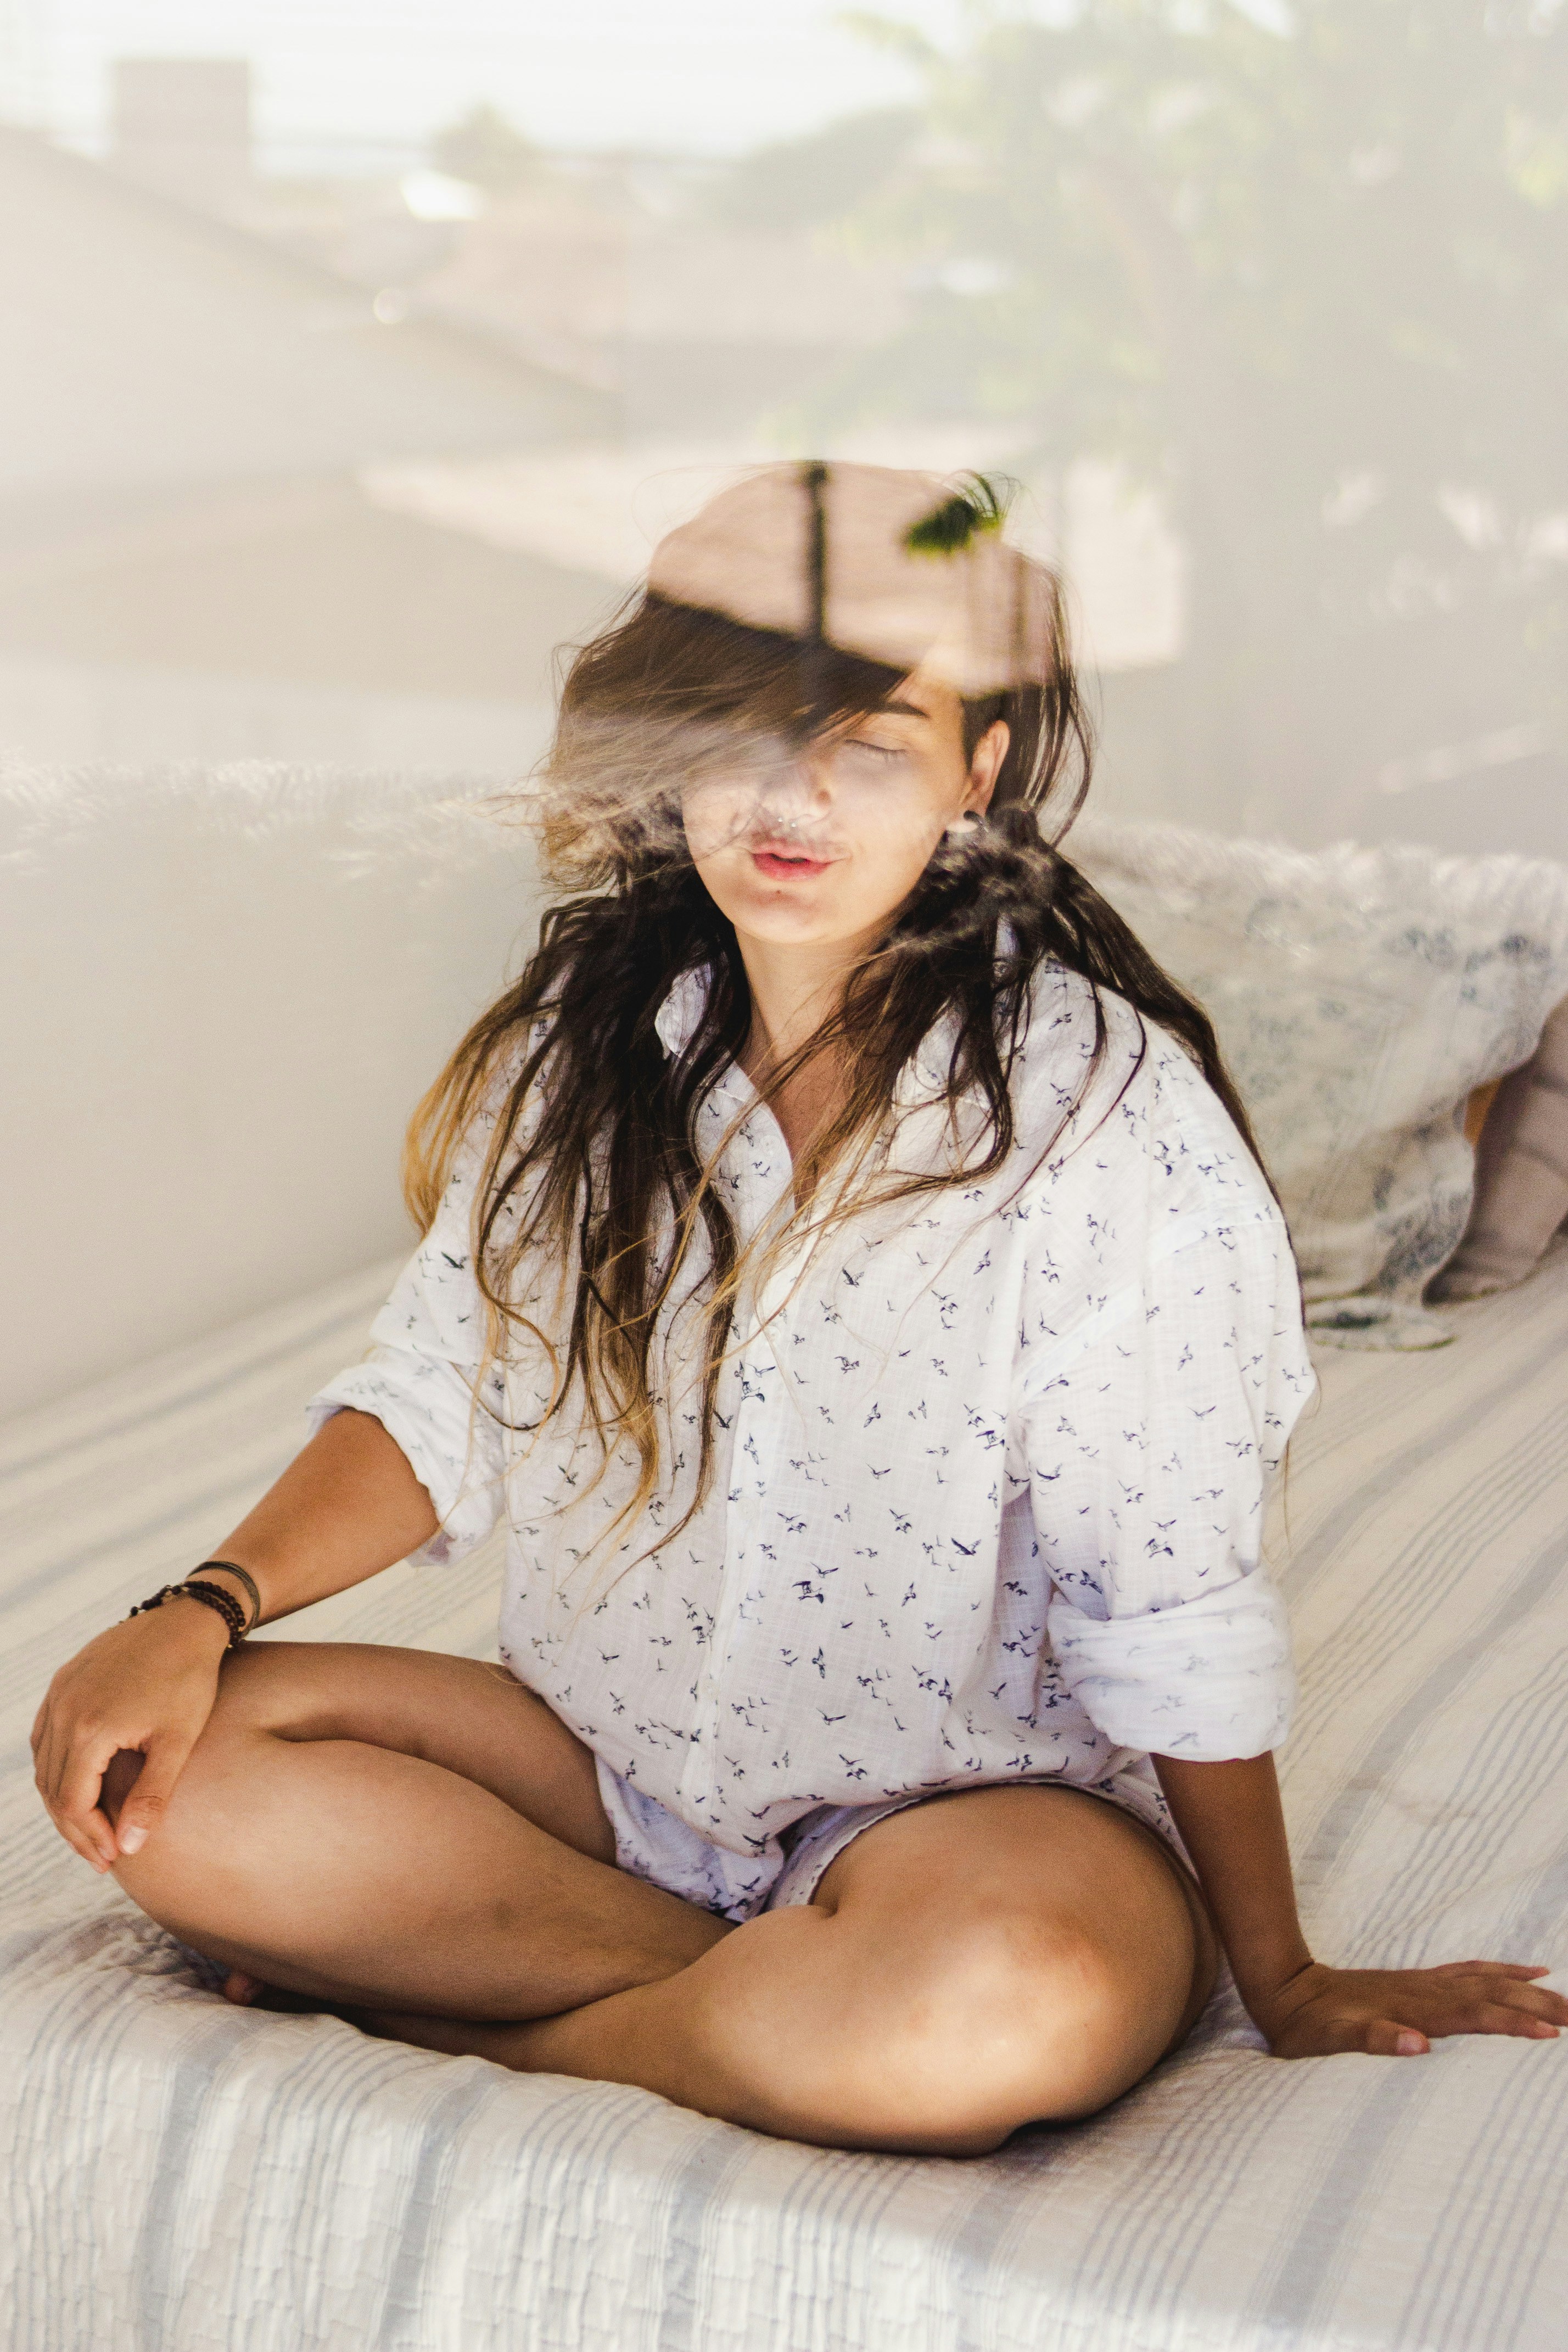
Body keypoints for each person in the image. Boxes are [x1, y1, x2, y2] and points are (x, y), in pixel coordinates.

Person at [33, 463, 1564, 2158]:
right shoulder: (592, 1050)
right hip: (608, 1773)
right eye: (747, 730)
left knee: (1001, 1996)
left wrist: (1278, 1970)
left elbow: (1173, 1597)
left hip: (968, 1809)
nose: (794, 796)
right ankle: (731, 1993)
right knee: (161, 1786)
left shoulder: (1108, 1118)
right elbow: (439, 1391)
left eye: (871, 744)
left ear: (977, 775)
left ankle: (486, 2008)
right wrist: (199, 1605)